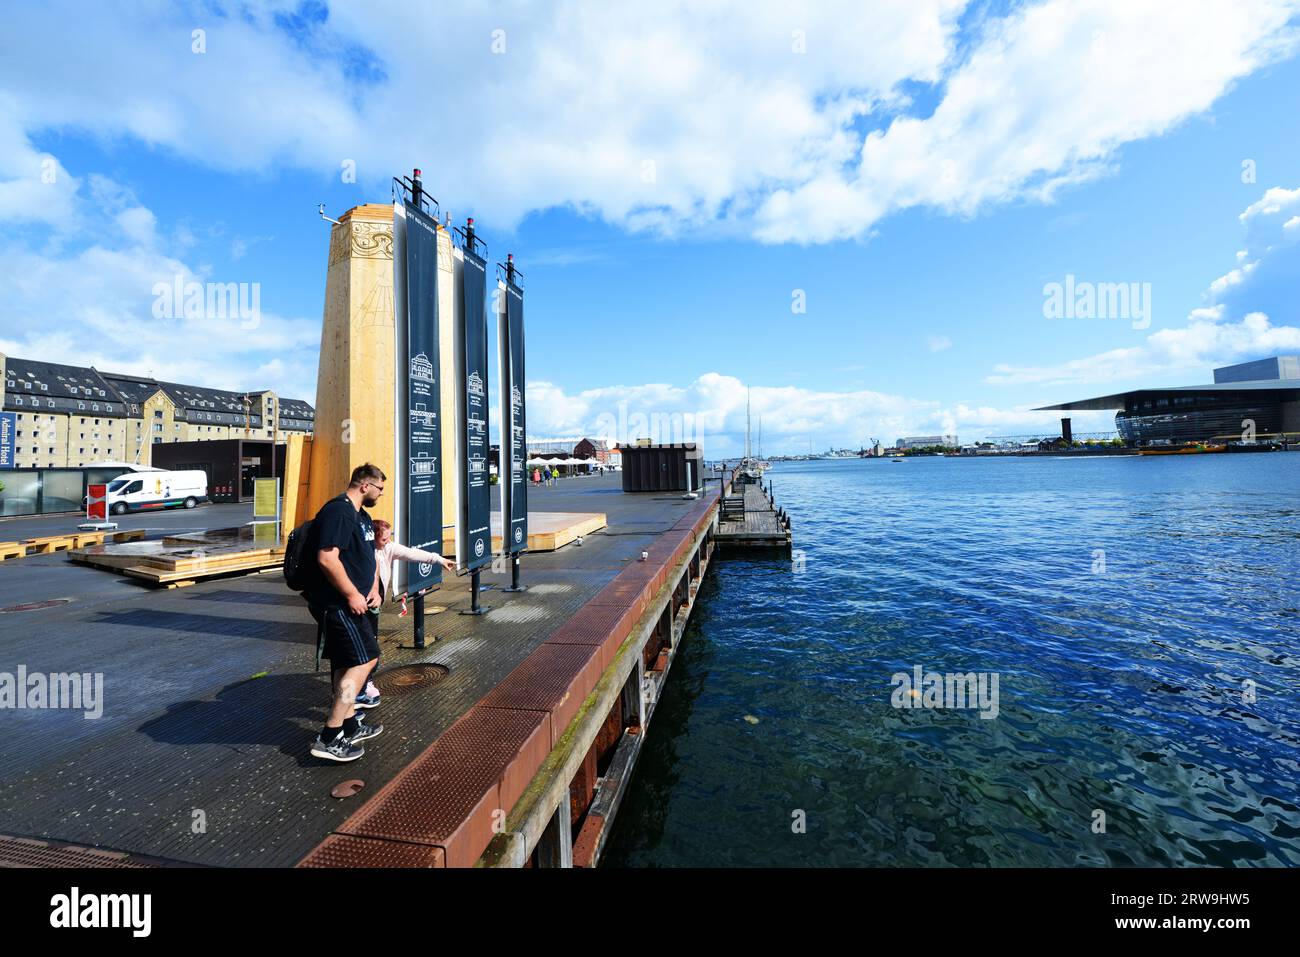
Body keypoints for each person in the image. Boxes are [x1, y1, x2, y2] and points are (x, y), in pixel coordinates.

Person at [304, 463, 386, 763]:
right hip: (338, 605)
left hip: (358, 602)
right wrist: (352, 594)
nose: (380, 494)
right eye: (379, 489)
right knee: (366, 658)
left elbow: (369, 557)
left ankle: (350, 724)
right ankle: (329, 736)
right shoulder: (339, 511)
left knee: (346, 662)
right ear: (365, 485)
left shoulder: (360, 515)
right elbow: (327, 558)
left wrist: (374, 587)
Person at [360, 519, 454, 702]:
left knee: (370, 643)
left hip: (374, 604)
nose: (388, 542)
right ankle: (358, 688)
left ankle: (364, 683)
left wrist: (440, 560)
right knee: (364, 647)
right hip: (359, 603)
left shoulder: (387, 548)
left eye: (389, 538)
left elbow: (412, 553)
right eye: (384, 539)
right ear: (373, 537)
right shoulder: (363, 551)